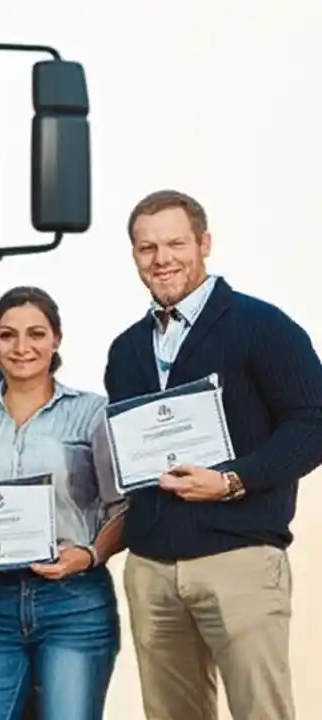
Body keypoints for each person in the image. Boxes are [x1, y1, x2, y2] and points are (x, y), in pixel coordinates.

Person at [104, 190, 322, 720]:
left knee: (260, 711)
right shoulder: (126, 349)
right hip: (153, 568)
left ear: (204, 243)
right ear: (134, 255)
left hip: (239, 559)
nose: (162, 259)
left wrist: (232, 481)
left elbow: (313, 423)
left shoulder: (262, 326)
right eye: (147, 248)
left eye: (176, 243)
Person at [0, 286, 124, 720]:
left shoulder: (94, 413)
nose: (22, 348)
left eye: (36, 334)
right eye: (7, 335)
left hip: (74, 603)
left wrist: (88, 555)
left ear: (56, 339)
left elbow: (124, 508)